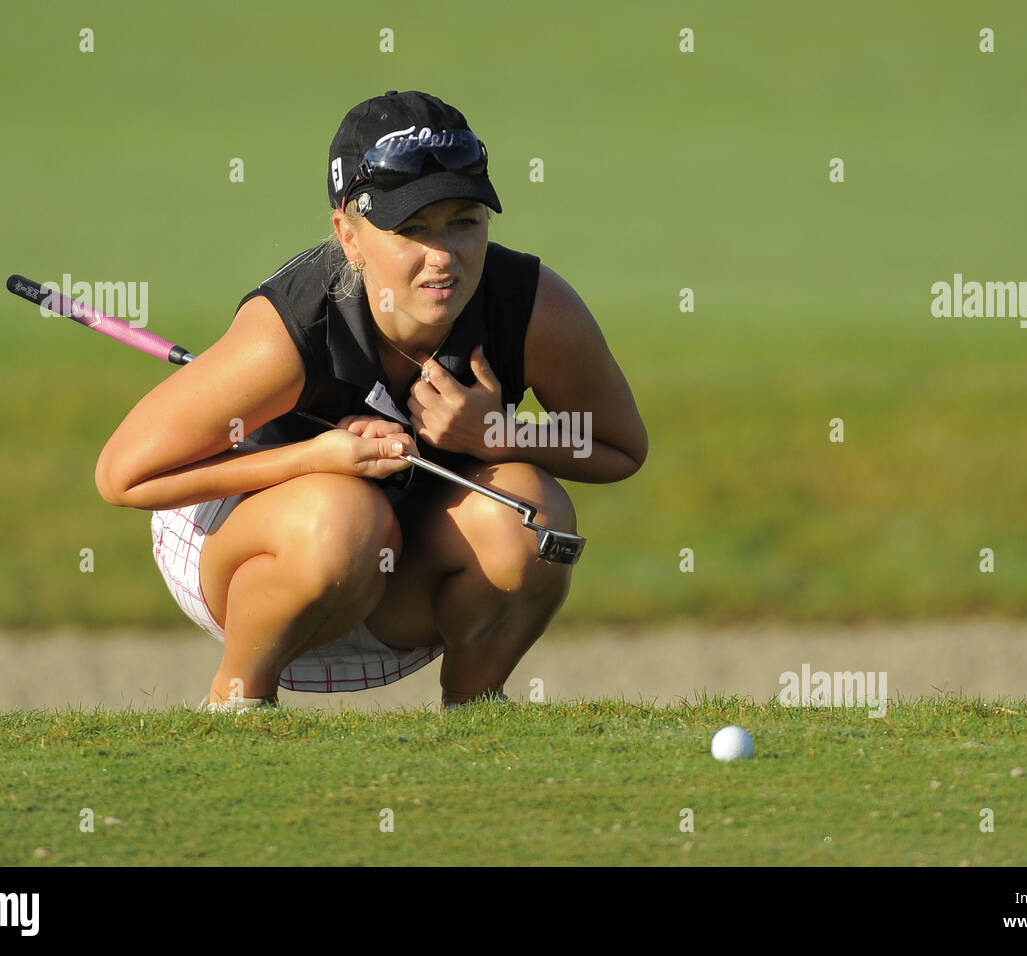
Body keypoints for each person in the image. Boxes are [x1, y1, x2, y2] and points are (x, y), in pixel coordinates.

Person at [94, 90, 647, 711]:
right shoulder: (291, 328)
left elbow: (621, 447)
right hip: (256, 555)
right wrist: (314, 457)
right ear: (348, 235)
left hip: (398, 571)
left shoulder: (531, 304)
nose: (443, 256)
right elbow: (122, 478)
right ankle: (238, 702)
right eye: (411, 229)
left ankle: (475, 720)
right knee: (343, 516)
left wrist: (499, 437)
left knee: (529, 512)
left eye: (464, 221)